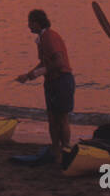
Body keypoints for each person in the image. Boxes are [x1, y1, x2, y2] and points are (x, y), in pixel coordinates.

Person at [16, 9, 74, 162]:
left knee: (61, 118)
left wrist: (38, 73)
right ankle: (56, 150)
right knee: (52, 118)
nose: (28, 26)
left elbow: (59, 62)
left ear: (36, 23)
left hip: (62, 80)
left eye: (30, 22)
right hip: (51, 82)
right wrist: (28, 75)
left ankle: (65, 149)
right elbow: (44, 62)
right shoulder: (42, 39)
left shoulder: (49, 37)